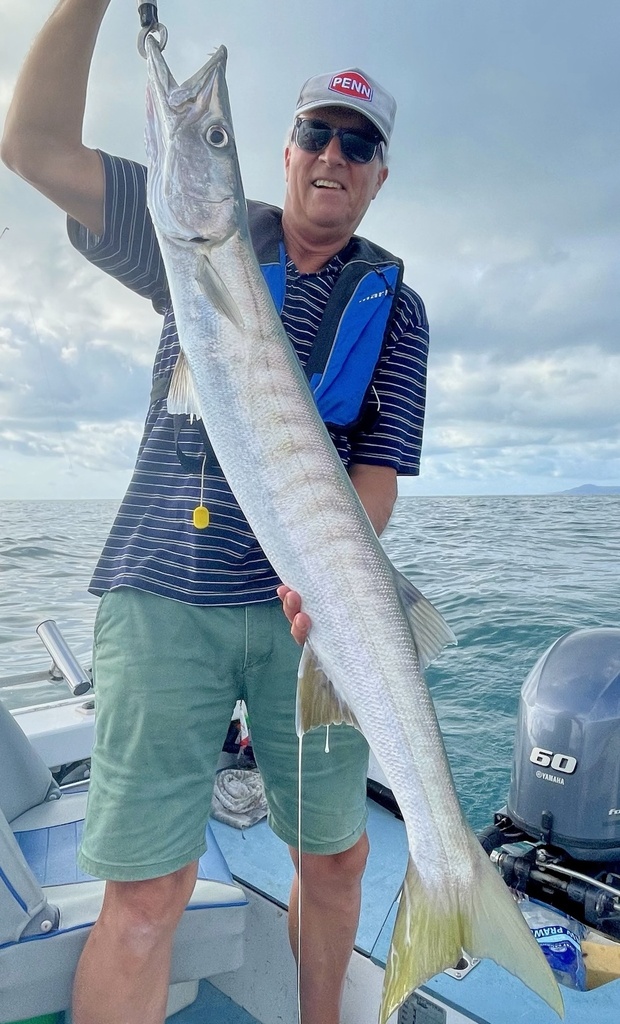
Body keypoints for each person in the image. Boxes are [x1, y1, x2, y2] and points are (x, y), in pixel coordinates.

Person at [2, 3, 429, 1023]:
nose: (335, 153)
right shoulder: (192, 236)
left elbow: (378, 468)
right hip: (164, 594)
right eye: (317, 133)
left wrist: (332, 579)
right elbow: (30, 144)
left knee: (334, 860)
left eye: (358, 142)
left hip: (310, 621)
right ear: (285, 154)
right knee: (146, 890)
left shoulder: (396, 310)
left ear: (376, 172)